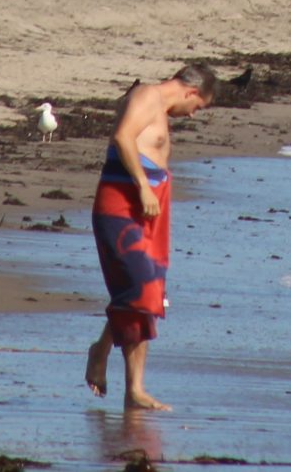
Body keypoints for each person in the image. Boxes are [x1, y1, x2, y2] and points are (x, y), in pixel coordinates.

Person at [84, 63, 219, 411]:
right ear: (191, 92)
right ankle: (113, 366)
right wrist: (144, 187)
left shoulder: (159, 108)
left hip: (148, 208)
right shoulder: (146, 96)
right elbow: (123, 137)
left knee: (148, 294)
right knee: (139, 289)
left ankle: (127, 379)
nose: (192, 114)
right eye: (198, 106)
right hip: (122, 204)